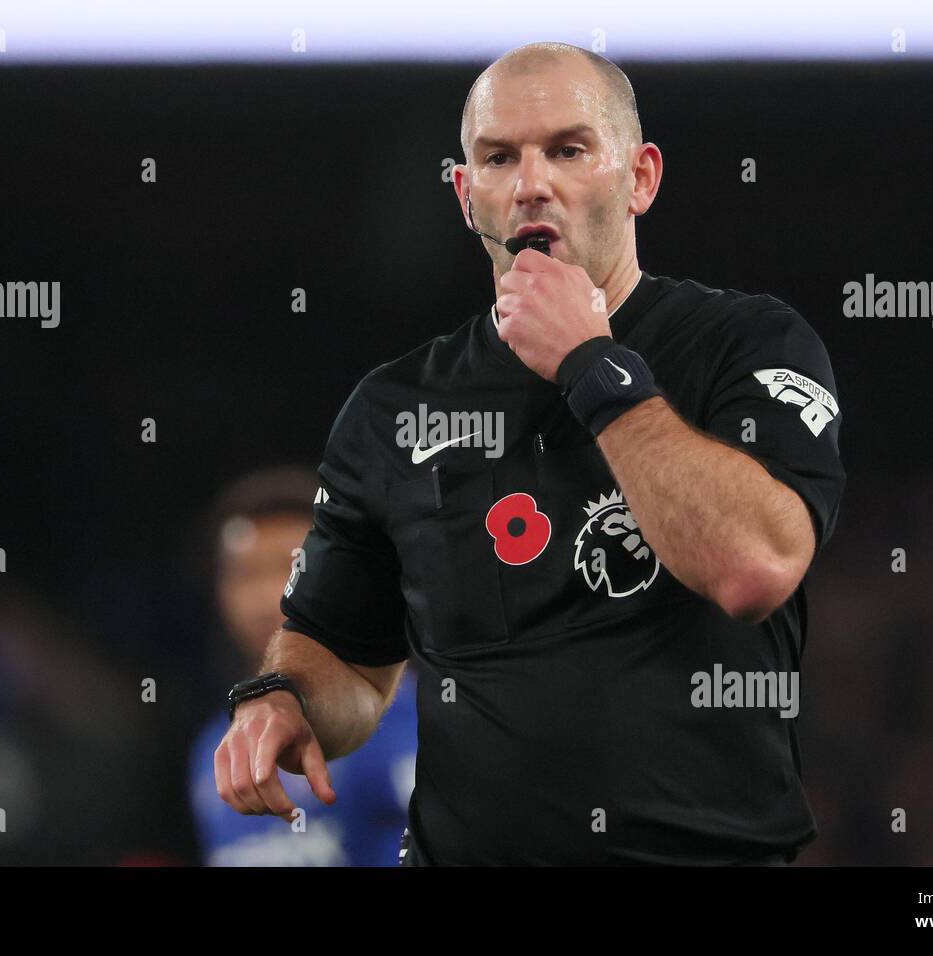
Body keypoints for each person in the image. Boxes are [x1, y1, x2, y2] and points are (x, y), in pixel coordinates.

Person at [214, 41, 846, 865]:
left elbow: (754, 564)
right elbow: (347, 662)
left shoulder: (745, 345)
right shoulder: (395, 407)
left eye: (569, 149)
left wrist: (592, 364)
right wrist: (285, 699)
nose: (531, 183)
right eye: (499, 157)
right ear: (466, 194)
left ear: (641, 178)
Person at [189, 467, 417, 865]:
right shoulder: (213, 748)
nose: (262, 597)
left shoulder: (414, 719)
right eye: (243, 573)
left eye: (289, 566)